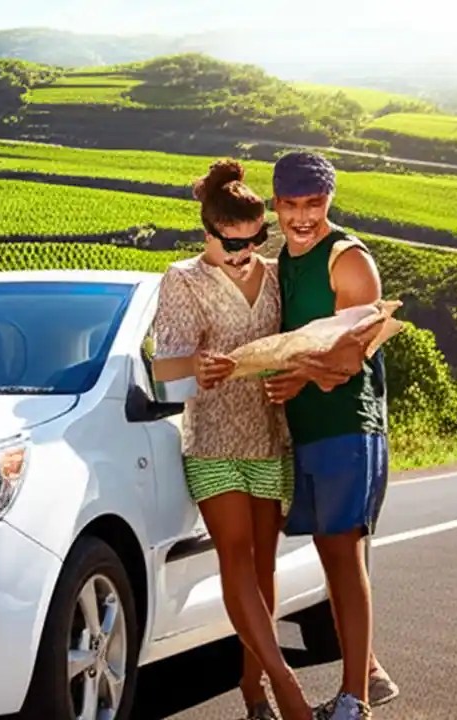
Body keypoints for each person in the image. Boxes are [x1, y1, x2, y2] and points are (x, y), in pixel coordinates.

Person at [150, 159, 311, 720]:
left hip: (270, 435)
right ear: (208, 232)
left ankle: (252, 687)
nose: (244, 253)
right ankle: (286, 687)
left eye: (253, 240)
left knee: (264, 569)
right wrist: (196, 362)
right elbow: (164, 369)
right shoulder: (182, 279)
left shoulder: (274, 273)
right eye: (232, 244)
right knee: (237, 562)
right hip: (212, 437)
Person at [263, 151, 400, 720]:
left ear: (329, 201)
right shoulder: (285, 262)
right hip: (308, 431)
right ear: (275, 205)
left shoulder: (348, 260)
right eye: (291, 205)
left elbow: (352, 352)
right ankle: (369, 672)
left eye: (313, 205)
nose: (302, 216)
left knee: (344, 554)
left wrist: (297, 378)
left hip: (349, 427)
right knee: (332, 553)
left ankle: (354, 701)